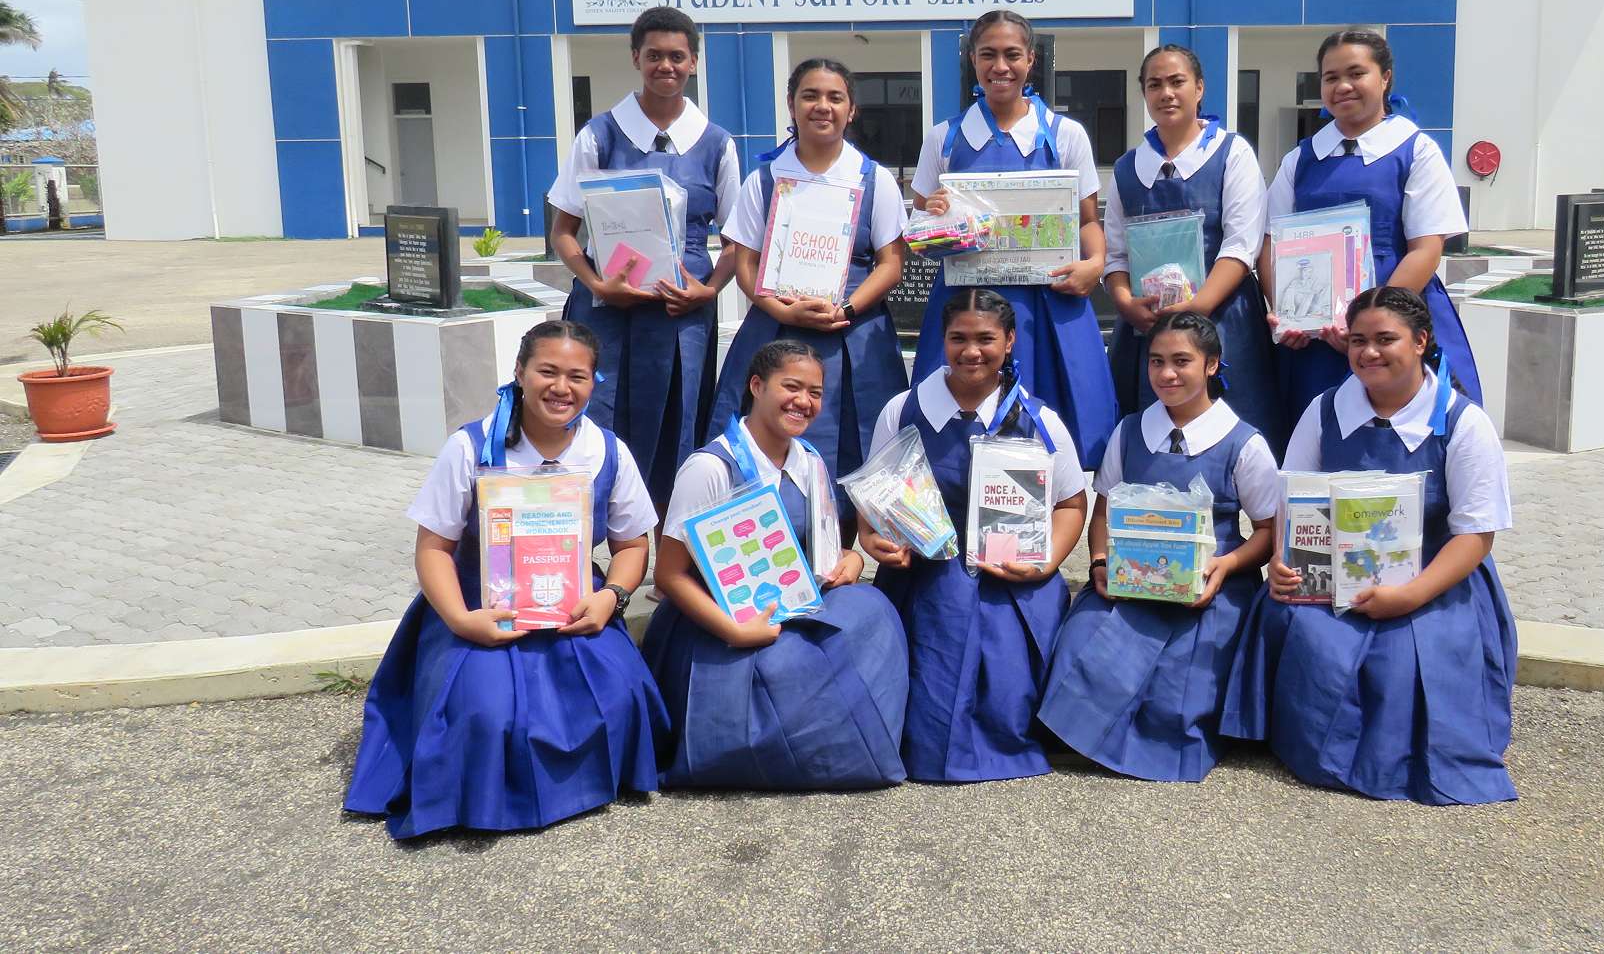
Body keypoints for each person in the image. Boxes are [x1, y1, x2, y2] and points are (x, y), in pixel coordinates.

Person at [345, 321, 670, 838]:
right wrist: (460, 619)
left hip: (575, 601)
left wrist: (613, 596)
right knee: (486, 713)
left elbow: (633, 546)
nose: (562, 388)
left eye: (578, 377)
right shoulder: (471, 446)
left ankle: (590, 783)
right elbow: (433, 549)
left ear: (593, 383)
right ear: (519, 373)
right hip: (476, 603)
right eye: (547, 371)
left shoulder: (607, 450)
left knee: (622, 691)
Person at [1223, 287, 1517, 805]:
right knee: (1294, 620)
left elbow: (1475, 535)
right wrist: (1284, 561)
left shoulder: (1465, 423)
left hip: (1434, 576)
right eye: (1358, 340)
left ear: (1422, 341)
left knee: (1405, 654)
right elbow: (1295, 501)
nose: (1369, 352)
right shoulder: (1324, 411)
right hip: (1333, 570)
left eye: (1386, 339)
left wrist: (1411, 595)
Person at [644, 340, 909, 789]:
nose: (804, 402)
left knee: (874, 612)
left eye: (815, 392)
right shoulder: (710, 467)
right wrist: (734, 630)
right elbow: (670, 575)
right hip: (723, 616)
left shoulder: (810, 461)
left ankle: (835, 741)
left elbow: (824, 550)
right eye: (791, 386)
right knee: (787, 667)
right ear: (756, 386)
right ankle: (817, 748)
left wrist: (847, 560)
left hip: (795, 601)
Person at [1037, 312, 1278, 782]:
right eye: (1157, 362)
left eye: (1182, 361)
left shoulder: (1244, 444)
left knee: (1180, 674)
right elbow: (1102, 510)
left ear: (1212, 365)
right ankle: (1078, 733)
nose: (1167, 374)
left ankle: (1150, 741)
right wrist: (1102, 563)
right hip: (1128, 577)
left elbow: (1270, 532)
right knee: (1084, 640)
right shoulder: (1129, 433)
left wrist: (1225, 566)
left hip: (1211, 583)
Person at [860, 289, 1088, 782]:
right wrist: (873, 541)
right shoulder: (902, 411)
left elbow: (1072, 503)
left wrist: (1046, 564)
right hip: (925, 571)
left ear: (1009, 341)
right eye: (957, 338)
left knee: (1006, 684)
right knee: (944, 627)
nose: (971, 351)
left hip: (1014, 573)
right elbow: (873, 503)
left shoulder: (1040, 421)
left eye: (986, 338)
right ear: (940, 341)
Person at [548, 5, 740, 507]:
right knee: (596, 420)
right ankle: (585, 548)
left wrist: (709, 288)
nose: (666, 66)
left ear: (694, 62)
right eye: (654, 55)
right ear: (636, 57)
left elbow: (738, 240)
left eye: (677, 56)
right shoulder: (598, 134)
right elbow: (564, 231)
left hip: (682, 312)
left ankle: (667, 557)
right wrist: (596, 285)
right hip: (606, 308)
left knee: (678, 429)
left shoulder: (718, 143)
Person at [908, 9, 1117, 468]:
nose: (1000, 67)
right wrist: (933, 214)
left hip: (1048, 305)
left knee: (1050, 435)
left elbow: (1086, 219)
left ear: (1031, 60)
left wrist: (1095, 262)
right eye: (988, 55)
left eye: (1011, 55)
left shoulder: (1066, 134)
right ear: (972, 60)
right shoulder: (944, 138)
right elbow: (920, 224)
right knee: (955, 431)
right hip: (967, 300)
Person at [1260, 29, 1481, 454]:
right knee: (1318, 443)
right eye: (1329, 77)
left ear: (1385, 78)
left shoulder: (1415, 150)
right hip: (1316, 337)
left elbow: (1426, 248)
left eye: (1356, 73)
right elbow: (1272, 244)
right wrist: (1287, 314)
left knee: (1408, 440)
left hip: (1394, 317)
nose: (1342, 86)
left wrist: (1371, 326)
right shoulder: (1300, 159)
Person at [713, 58, 909, 508]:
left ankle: (841, 555)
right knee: (765, 445)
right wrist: (780, 310)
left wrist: (847, 309)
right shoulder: (764, 179)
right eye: (810, 96)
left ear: (851, 110)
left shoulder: (874, 179)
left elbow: (890, 263)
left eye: (835, 97)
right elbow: (745, 262)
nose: (823, 106)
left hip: (853, 336)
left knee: (859, 452)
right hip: (775, 330)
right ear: (791, 104)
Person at [1102, 45, 1278, 441]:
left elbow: (1241, 243)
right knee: (1152, 438)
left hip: (1223, 317)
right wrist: (1126, 304)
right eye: (1154, 84)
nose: (1166, 93)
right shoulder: (1127, 168)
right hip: (1147, 326)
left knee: (1227, 437)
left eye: (1177, 82)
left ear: (1199, 88)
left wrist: (1199, 305)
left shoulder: (1232, 153)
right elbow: (1115, 254)